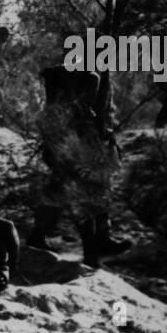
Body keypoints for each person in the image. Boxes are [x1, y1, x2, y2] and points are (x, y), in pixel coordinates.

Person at [30, 61, 132, 266]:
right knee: (87, 194)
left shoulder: (64, 76)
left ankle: (41, 235)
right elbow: (89, 110)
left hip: (68, 143)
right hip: (74, 144)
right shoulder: (86, 78)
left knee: (64, 189)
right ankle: (91, 253)